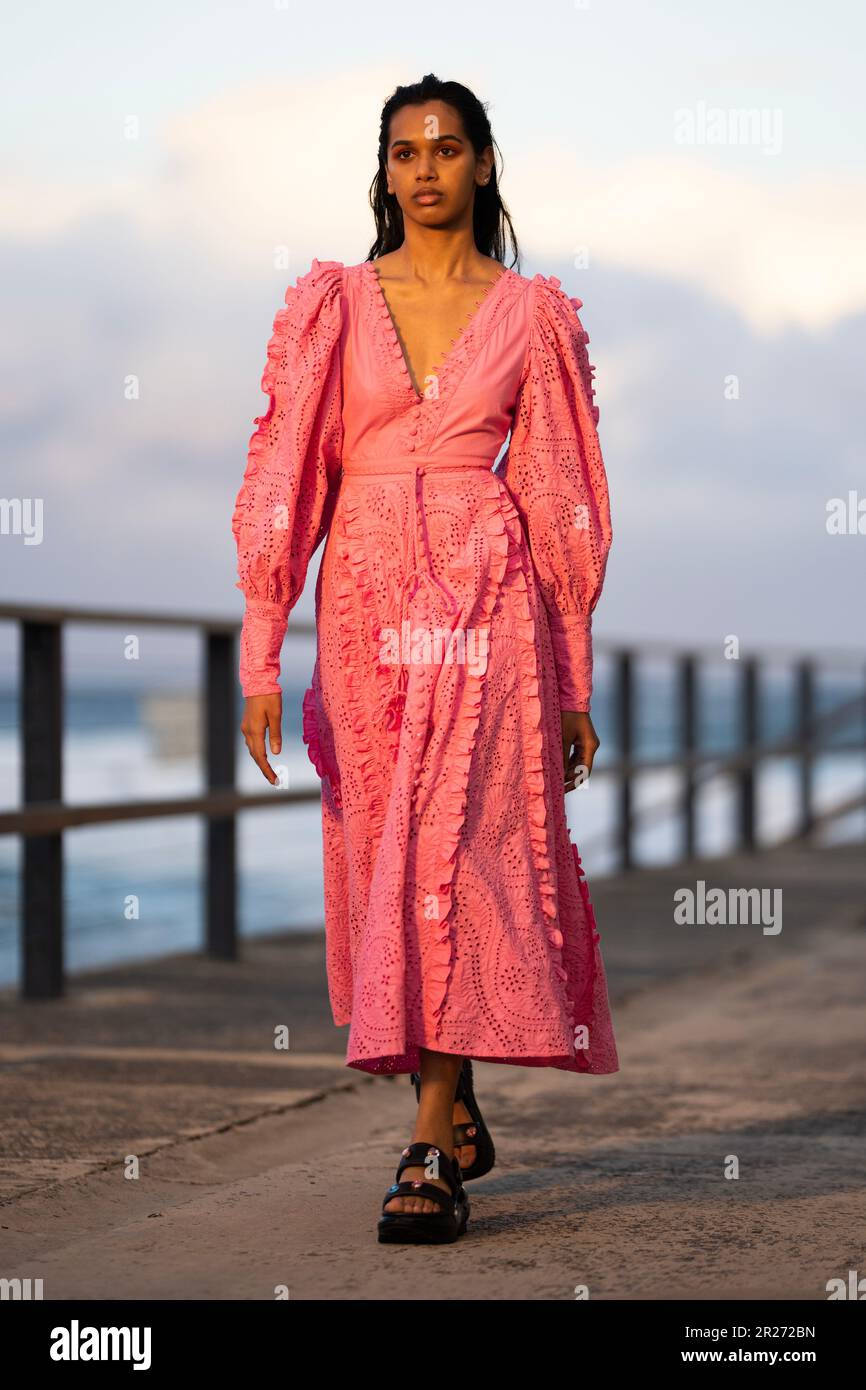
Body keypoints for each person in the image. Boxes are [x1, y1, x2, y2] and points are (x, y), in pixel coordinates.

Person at [231, 73, 619, 1245]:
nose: (427, 168)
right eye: (406, 151)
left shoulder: (532, 314)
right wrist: (261, 646)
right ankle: (448, 1105)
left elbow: (558, 501)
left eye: (448, 148)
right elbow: (283, 476)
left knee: (461, 848)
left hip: (488, 607)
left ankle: (430, 1138)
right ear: (385, 171)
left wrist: (571, 676)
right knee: (386, 864)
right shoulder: (332, 305)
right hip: (362, 610)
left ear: (483, 166)